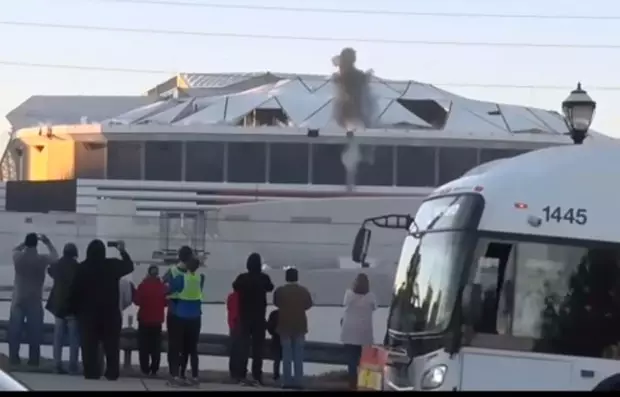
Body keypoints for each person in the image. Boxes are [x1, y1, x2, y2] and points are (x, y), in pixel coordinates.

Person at [68, 239, 134, 380]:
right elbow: (129, 266)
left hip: (88, 315)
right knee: (111, 345)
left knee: (89, 345)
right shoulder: (112, 265)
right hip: (110, 314)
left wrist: (73, 311)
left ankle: (91, 372)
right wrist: (122, 250)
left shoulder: (82, 268)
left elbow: (74, 292)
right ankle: (112, 372)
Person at [8, 233, 58, 367]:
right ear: (36, 244)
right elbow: (55, 257)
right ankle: (33, 359)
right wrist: (47, 242)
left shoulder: (18, 258)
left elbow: (14, 250)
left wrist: (23, 244)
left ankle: (13, 358)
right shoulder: (41, 259)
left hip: (18, 298)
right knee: (35, 331)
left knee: (15, 330)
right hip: (34, 299)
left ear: (26, 244)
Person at [232, 252, 274, 386]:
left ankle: (241, 374)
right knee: (258, 349)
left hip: (244, 318)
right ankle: (257, 375)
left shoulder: (242, 278)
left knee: (243, 347)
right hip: (259, 318)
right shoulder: (264, 278)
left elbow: (235, 286)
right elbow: (270, 287)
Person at [273, 268, 313, 389]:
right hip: (300, 326)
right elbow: (309, 304)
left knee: (287, 355)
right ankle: (298, 381)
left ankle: (287, 381)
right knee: (298, 356)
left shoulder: (280, 291)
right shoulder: (303, 291)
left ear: (286, 277)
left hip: (284, 326)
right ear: (297, 277)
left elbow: (276, 303)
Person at [167, 258, 204, 386]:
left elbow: (169, 290)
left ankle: (176, 376)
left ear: (186, 266)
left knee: (178, 347)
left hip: (181, 316)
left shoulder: (181, 279)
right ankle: (194, 376)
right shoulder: (200, 278)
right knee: (192, 349)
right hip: (195, 317)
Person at [46, 243, 80, 374]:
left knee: (58, 337)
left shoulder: (57, 266)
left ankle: (56, 364)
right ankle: (73, 365)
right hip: (72, 306)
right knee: (74, 339)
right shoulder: (78, 268)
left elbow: (50, 270)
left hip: (58, 306)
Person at [340, 273, 377, 390]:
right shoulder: (371, 297)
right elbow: (375, 307)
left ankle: (352, 384)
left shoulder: (349, 294)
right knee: (366, 361)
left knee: (351, 360)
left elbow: (344, 304)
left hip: (349, 332)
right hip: (364, 333)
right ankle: (365, 385)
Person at [162, 246, 193, 379]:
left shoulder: (171, 271)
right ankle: (182, 371)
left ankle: (173, 371)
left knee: (174, 343)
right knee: (186, 344)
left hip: (174, 312)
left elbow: (164, 289)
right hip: (189, 313)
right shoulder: (193, 272)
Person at [134, 265, 167, 377]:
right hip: (157, 321)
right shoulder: (162, 286)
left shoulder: (143, 286)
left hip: (144, 319)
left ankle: (145, 369)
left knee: (143, 347)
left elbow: (137, 301)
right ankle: (154, 369)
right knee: (155, 347)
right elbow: (166, 302)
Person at [227, 283, 243, 381]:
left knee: (233, 349)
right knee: (240, 349)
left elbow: (229, 308)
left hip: (232, 324)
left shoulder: (231, 296)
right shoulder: (243, 297)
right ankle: (239, 371)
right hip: (240, 324)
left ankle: (233, 371)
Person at [266, 309, 281, 381]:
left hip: (276, 338)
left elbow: (269, 327)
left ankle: (276, 375)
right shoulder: (290, 313)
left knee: (277, 358)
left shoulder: (274, 313)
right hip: (285, 338)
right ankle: (278, 375)